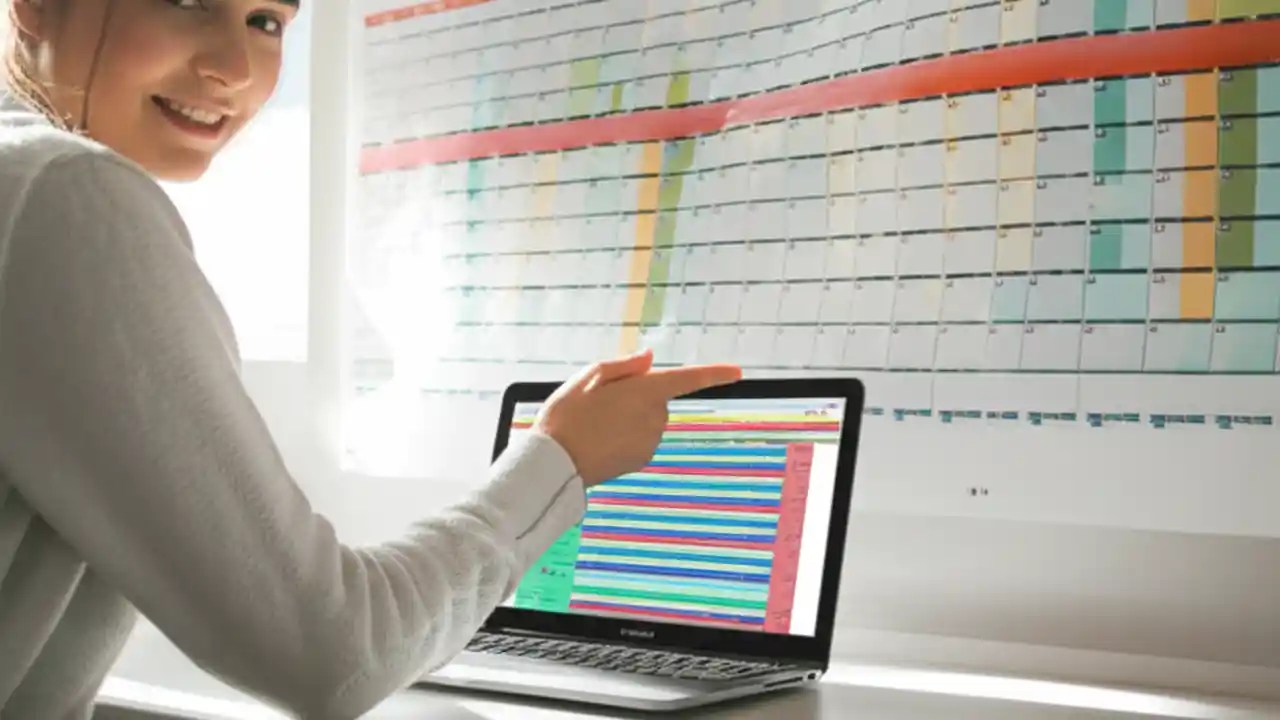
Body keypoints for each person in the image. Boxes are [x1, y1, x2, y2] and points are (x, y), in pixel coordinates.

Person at [0, 0, 742, 716]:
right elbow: (333, 656)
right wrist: (561, 458)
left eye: (266, 21)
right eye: (186, 0)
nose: (233, 67)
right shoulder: (61, 196)